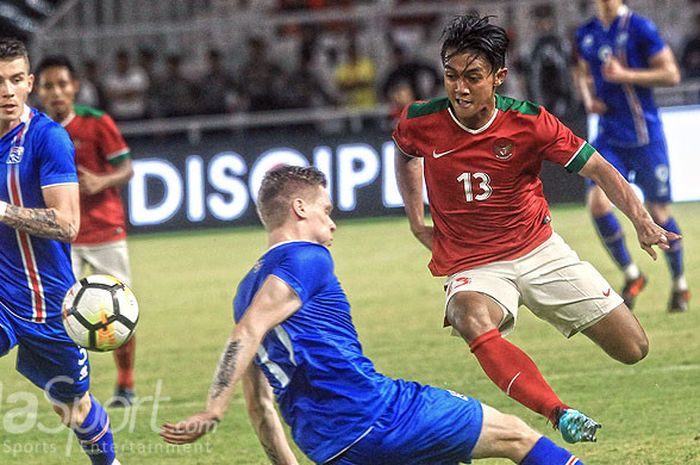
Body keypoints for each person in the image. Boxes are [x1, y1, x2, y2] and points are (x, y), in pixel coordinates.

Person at [161, 165, 587, 465]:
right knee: (516, 435)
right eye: (326, 210)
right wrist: (213, 409)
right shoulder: (307, 259)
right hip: (377, 415)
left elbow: (260, 409)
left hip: (327, 447)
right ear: (300, 208)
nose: (333, 223)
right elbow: (248, 331)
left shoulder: (243, 291)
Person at [393, 13, 677, 442]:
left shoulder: (529, 123)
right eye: (450, 76)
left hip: (539, 250)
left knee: (634, 349)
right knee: (468, 315)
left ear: (499, 77)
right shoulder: (421, 120)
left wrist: (641, 221)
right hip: (474, 264)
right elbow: (405, 152)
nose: (459, 88)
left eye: (472, 76)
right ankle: (558, 413)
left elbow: (599, 168)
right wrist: (417, 219)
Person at [0, 38, 122, 465]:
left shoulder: (47, 140)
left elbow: (67, 224)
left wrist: (2, 210)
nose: (7, 91)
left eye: (16, 80)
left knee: (73, 408)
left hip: (46, 300)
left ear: (29, 83)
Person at [36, 54, 137, 407]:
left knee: (118, 309)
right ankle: (73, 390)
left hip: (105, 227)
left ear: (75, 87)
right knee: (63, 317)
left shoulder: (96, 123)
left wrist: (102, 181)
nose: (57, 93)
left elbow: (126, 169)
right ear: (38, 89)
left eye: (63, 84)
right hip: (62, 236)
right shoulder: (34, 130)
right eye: (49, 86)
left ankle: (125, 384)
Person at [574, 0, 688, 312]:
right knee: (597, 204)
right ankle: (632, 274)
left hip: (644, 134)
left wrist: (627, 74)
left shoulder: (640, 28)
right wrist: (589, 97)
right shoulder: (587, 32)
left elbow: (671, 74)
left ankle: (680, 283)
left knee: (658, 213)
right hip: (609, 134)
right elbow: (582, 72)